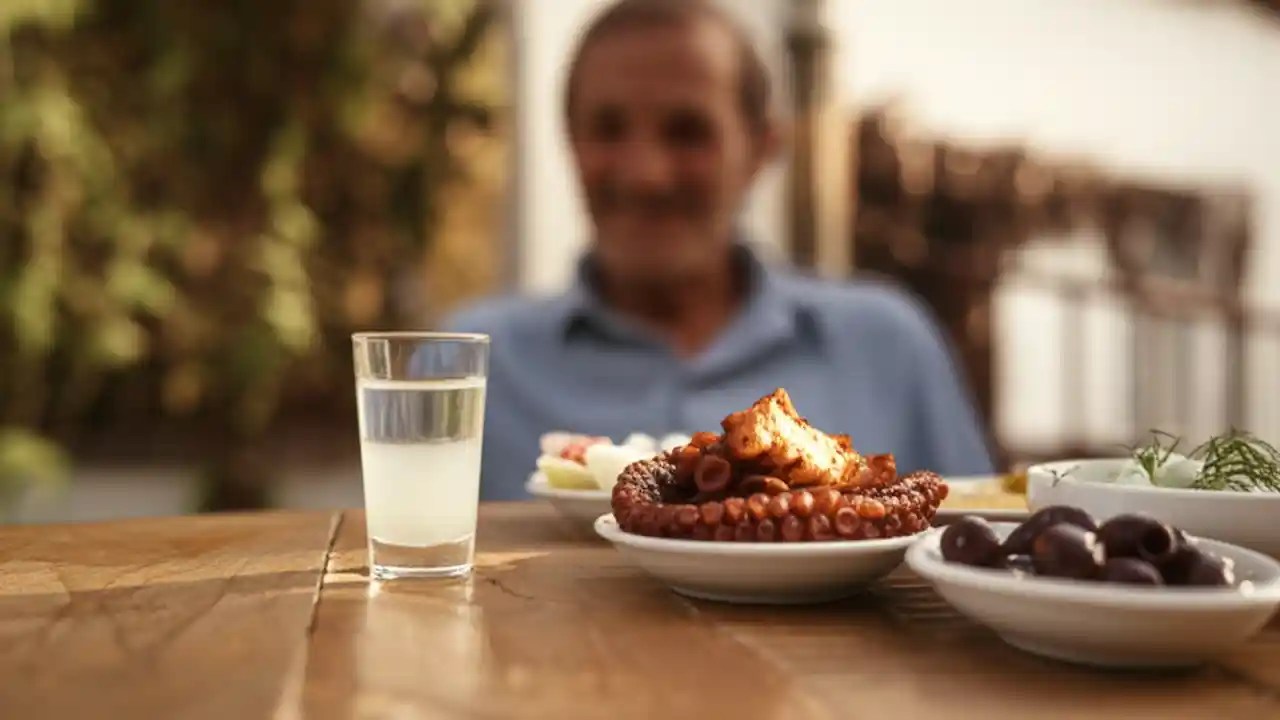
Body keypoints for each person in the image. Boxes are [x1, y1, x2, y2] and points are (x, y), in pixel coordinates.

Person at [445, 0, 994, 500]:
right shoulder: (470, 367)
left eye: (688, 132)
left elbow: (979, 538)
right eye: (609, 128)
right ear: (569, 139)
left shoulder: (887, 346)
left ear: (760, 149)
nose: (646, 176)